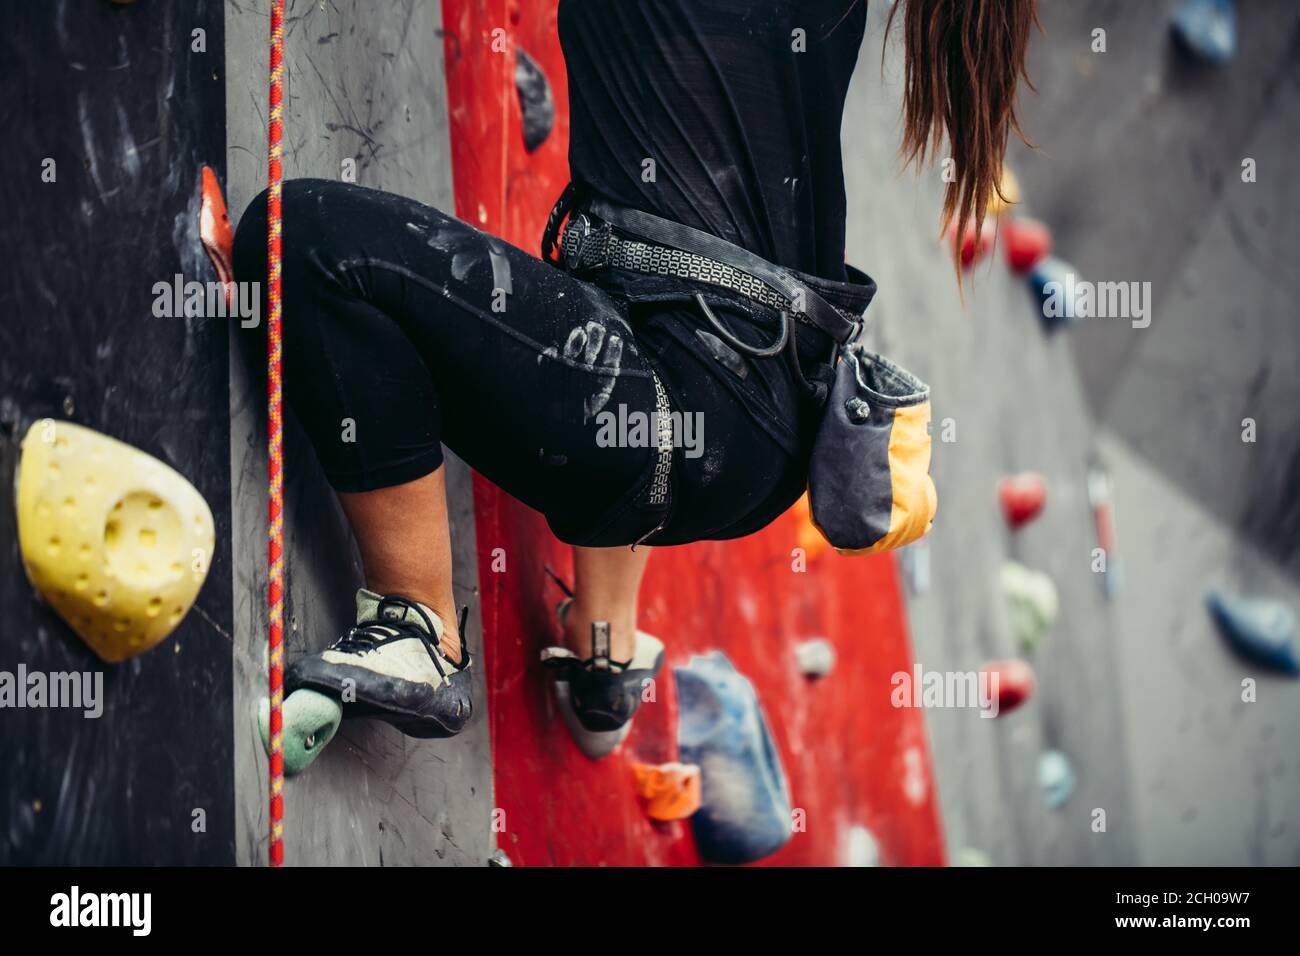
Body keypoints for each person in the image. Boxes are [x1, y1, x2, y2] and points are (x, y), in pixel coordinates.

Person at [231, 0, 1036, 742]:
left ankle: (417, 625)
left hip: (682, 406)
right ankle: (606, 648)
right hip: (765, 411)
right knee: (638, 305)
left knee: (299, 238)